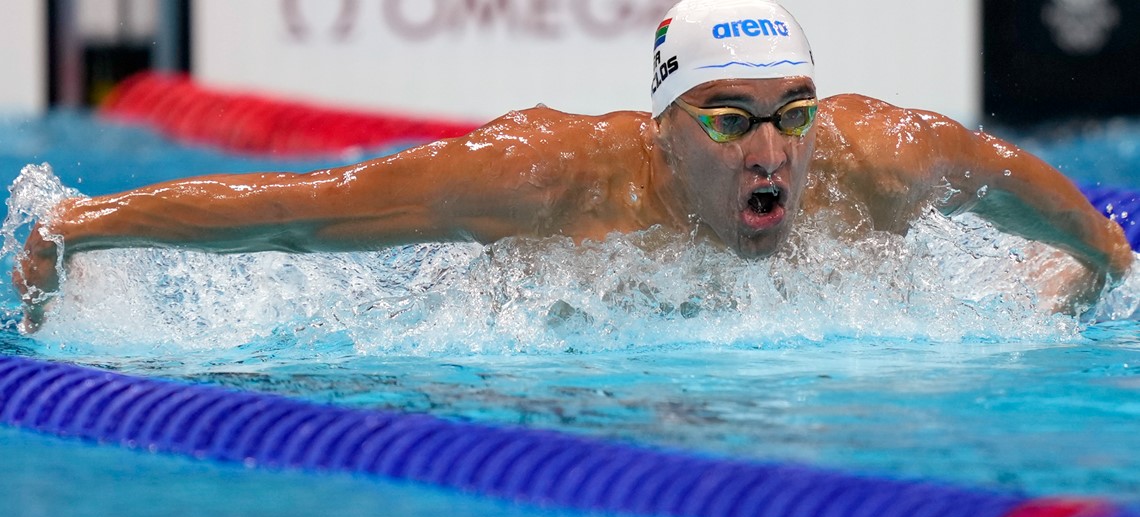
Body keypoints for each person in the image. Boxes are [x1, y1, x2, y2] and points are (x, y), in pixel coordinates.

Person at [13, 0, 1133, 331]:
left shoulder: (881, 158)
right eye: (728, 120)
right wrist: (82, 225)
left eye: (793, 112)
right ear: (659, 126)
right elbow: (304, 212)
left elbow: (1029, 189)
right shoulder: (550, 177)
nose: (773, 150)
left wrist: (1097, 261)